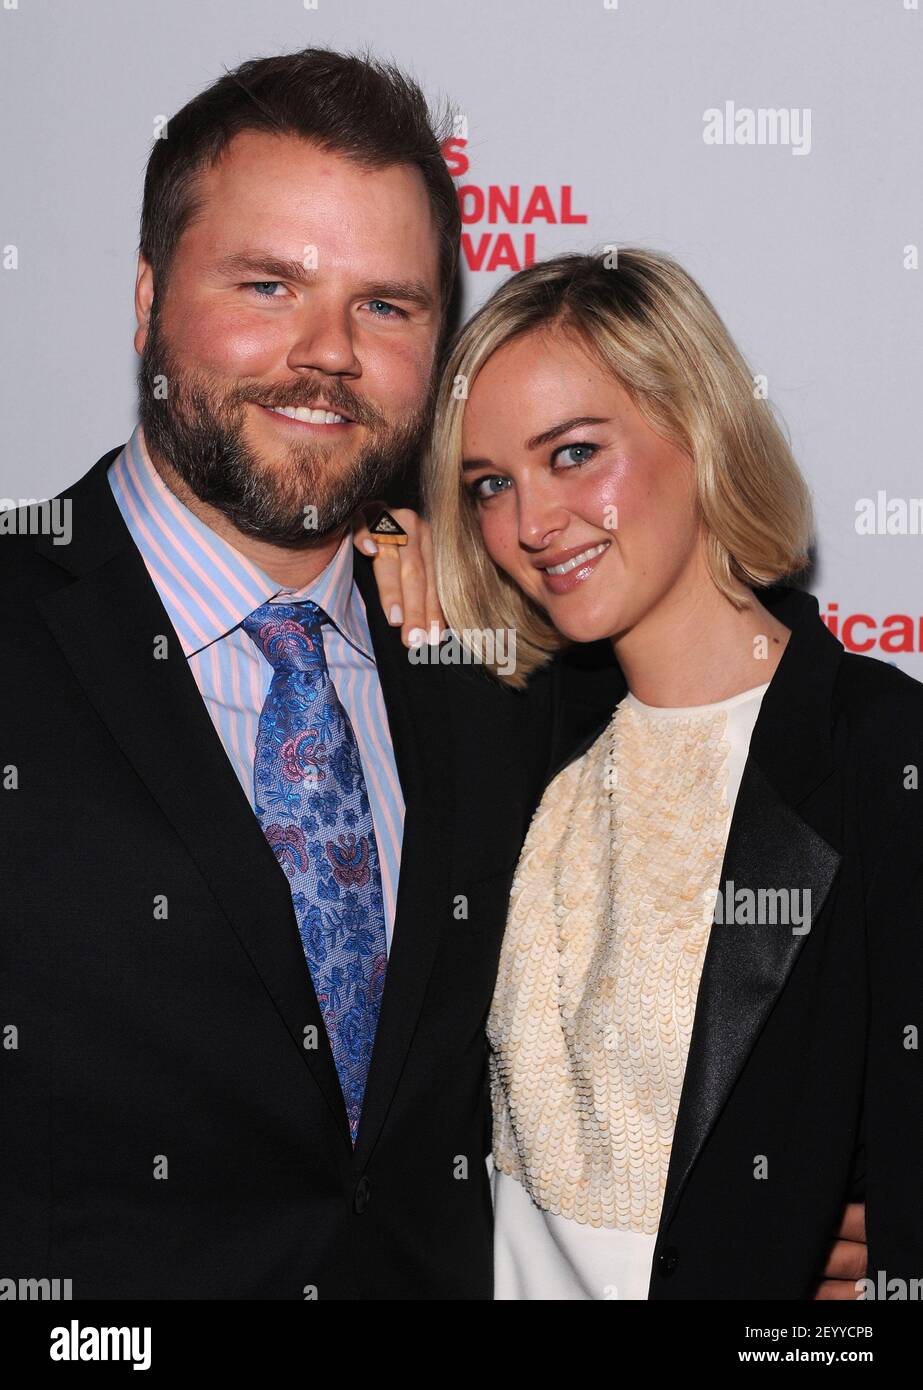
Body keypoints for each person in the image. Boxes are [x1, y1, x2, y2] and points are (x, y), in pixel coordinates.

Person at [0, 45, 863, 1299]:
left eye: (385, 305)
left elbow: (771, 728)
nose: (327, 353)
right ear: (146, 300)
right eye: (267, 283)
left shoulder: (504, 661)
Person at [377, 245, 921, 1299]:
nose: (529, 525)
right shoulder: (519, 734)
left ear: (699, 425)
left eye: (573, 453)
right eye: (489, 484)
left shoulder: (876, 753)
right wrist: (387, 531)